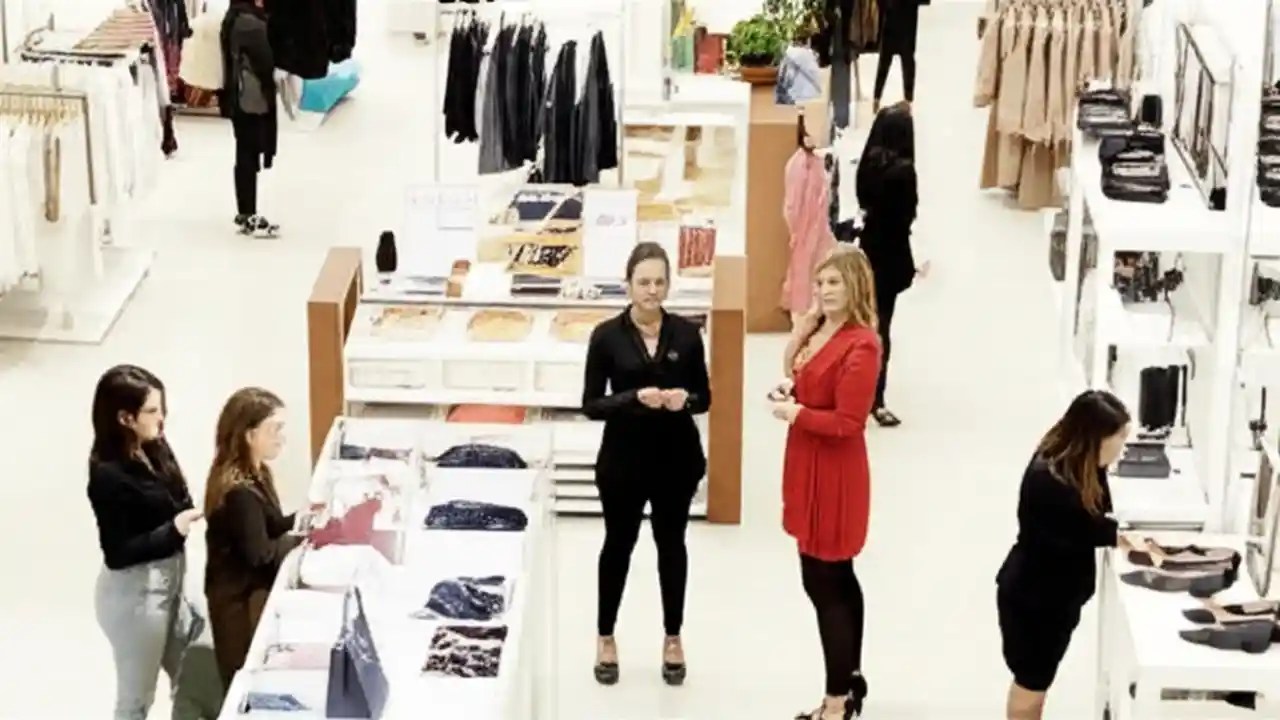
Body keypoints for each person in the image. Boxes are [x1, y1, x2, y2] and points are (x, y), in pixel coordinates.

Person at [581, 241, 712, 687]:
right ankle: (605, 636)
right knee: (618, 546)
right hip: (623, 460)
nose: (652, 290)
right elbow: (592, 404)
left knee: (671, 546)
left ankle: (673, 636)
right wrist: (632, 398)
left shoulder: (688, 335)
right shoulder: (606, 336)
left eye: (659, 282)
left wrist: (683, 400)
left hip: (676, 459)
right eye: (643, 282)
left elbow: (705, 397)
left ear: (669, 284)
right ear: (628, 284)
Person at [770, 249, 882, 720]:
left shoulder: (863, 344)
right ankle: (850, 676)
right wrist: (792, 383)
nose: (825, 291)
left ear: (855, 285)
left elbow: (849, 421)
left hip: (833, 470)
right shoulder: (820, 330)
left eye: (834, 282)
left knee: (824, 581)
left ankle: (835, 701)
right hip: (807, 459)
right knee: (836, 578)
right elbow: (795, 367)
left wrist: (797, 413)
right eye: (820, 283)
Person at [996, 390, 1137, 720]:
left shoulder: (1072, 463)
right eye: (1119, 437)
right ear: (1095, 437)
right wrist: (1120, 536)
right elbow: (1080, 528)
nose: (1122, 446)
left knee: (1036, 683)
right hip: (1035, 601)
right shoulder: (1051, 479)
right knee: (1031, 686)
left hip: (1048, 596)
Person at [88, 365, 205, 719]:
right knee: (136, 699)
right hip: (137, 599)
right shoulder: (108, 475)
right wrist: (174, 529)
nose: (162, 417)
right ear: (125, 417)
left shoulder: (153, 446)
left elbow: (179, 496)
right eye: (153, 411)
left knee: (196, 675)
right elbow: (118, 553)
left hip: (169, 588)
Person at [204, 387, 301, 688]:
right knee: (244, 684)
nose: (280, 438)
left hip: (247, 594)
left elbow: (269, 525)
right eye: (274, 430)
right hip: (238, 606)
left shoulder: (258, 474)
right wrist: (302, 541)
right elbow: (261, 554)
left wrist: (304, 518)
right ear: (249, 435)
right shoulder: (239, 493)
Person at [855, 102, 923, 428]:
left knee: (863, 320)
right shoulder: (904, 172)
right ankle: (876, 397)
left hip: (868, 246)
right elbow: (908, 214)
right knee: (883, 324)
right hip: (893, 253)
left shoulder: (868, 165)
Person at [220, 0, 280, 238]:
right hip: (249, 98)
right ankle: (247, 212)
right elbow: (267, 58)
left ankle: (247, 211)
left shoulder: (236, 17)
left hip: (240, 96)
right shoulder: (249, 24)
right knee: (248, 152)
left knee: (245, 151)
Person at [872, 0, 926, 111]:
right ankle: (906, 98)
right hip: (902, 17)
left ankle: (878, 98)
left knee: (892, 59)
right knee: (904, 59)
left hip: (897, 16)